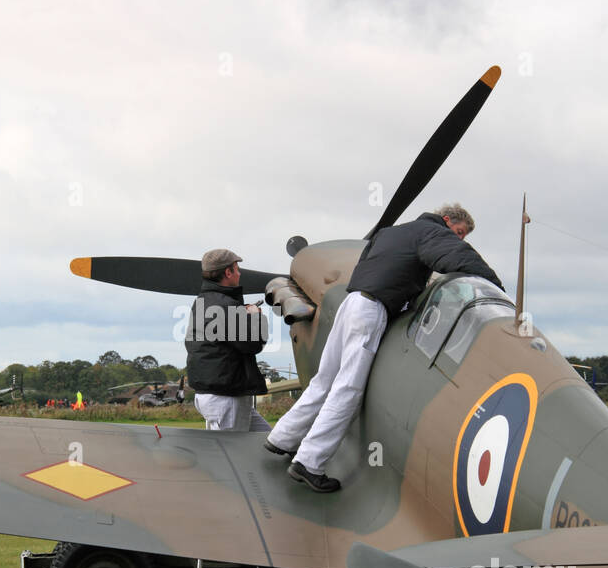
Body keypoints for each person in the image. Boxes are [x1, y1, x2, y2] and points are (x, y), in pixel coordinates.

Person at [265, 203, 503, 491]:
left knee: (324, 379)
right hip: (371, 310)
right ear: (447, 220)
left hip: (351, 303)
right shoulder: (432, 232)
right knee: (348, 388)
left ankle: (282, 437)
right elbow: (457, 257)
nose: (460, 238)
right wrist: (494, 285)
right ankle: (309, 462)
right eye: (460, 231)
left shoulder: (391, 233)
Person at [185, 248, 272, 432]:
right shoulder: (226, 305)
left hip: (216, 395)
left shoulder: (203, 301)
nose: (239, 273)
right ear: (228, 272)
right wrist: (256, 316)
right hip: (226, 398)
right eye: (237, 268)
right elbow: (253, 345)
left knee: (269, 441)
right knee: (227, 456)